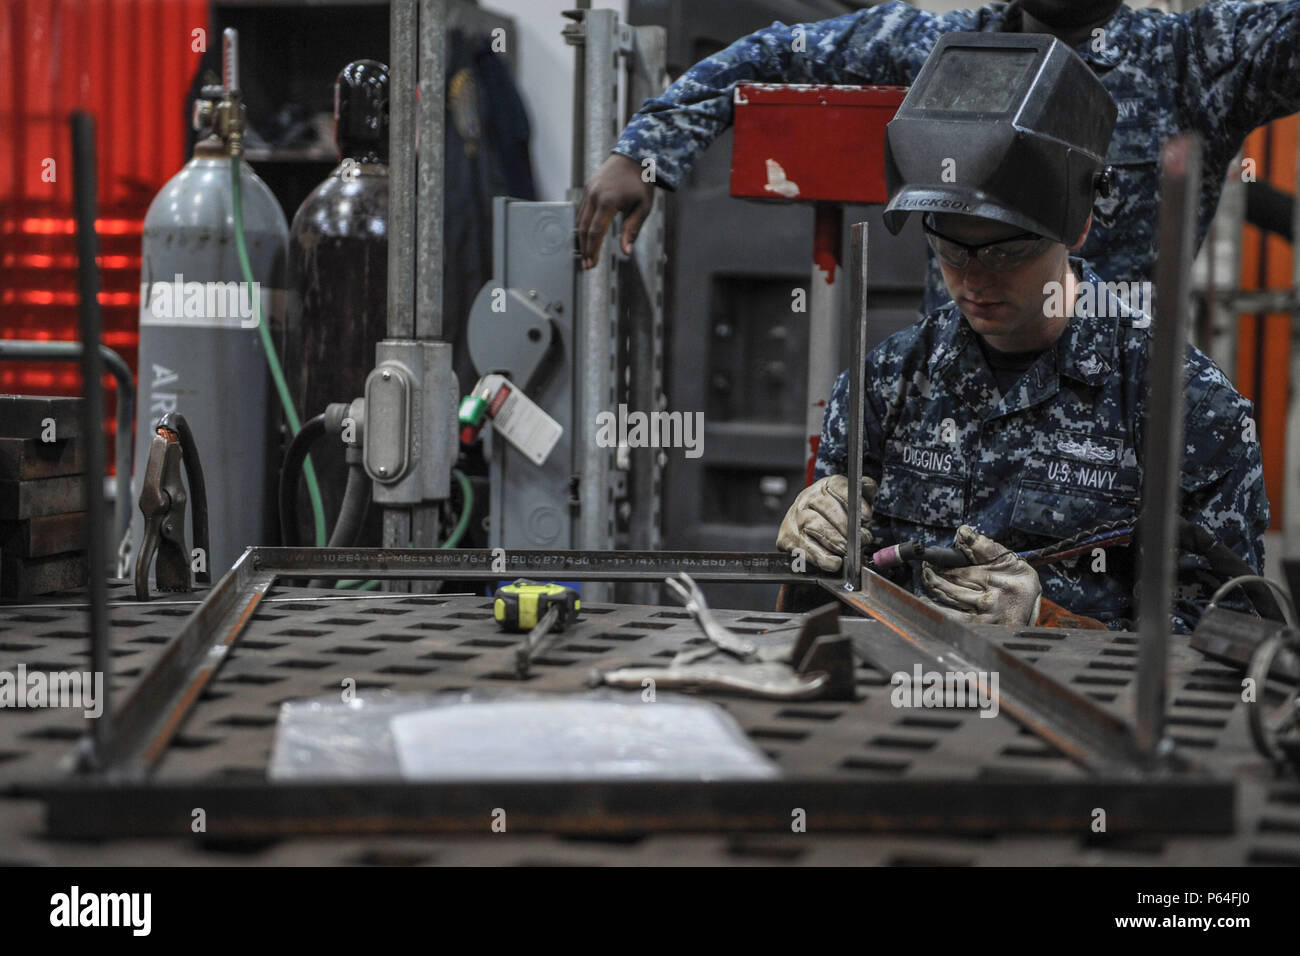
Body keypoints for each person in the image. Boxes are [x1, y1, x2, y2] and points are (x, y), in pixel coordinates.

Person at [775, 32, 1269, 633]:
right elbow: (819, 615)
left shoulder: (1185, 406)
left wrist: (1050, 623)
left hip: (1077, 721)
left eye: (1006, 252)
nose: (974, 280)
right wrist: (807, 552)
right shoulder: (886, 383)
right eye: (950, 250)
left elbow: (1236, 640)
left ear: (1078, 226)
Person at [578, 0, 1300, 313]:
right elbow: (773, 50)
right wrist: (644, 150)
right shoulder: (945, 48)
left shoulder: (1191, 58)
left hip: (1123, 414)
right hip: (959, 414)